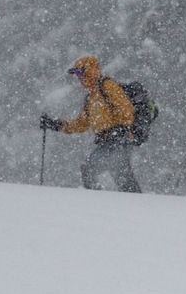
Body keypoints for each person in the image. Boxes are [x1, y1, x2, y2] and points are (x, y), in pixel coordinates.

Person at [40, 55, 141, 193]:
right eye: (76, 74)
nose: (79, 78)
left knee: (90, 169)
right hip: (108, 141)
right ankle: (136, 205)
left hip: (119, 140)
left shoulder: (107, 85)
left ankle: (98, 203)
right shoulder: (91, 98)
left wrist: (121, 129)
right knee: (121, 177)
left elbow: (126, 108)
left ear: (90, 71)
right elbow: (81, 124)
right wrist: (56, 125)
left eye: (80, 73)